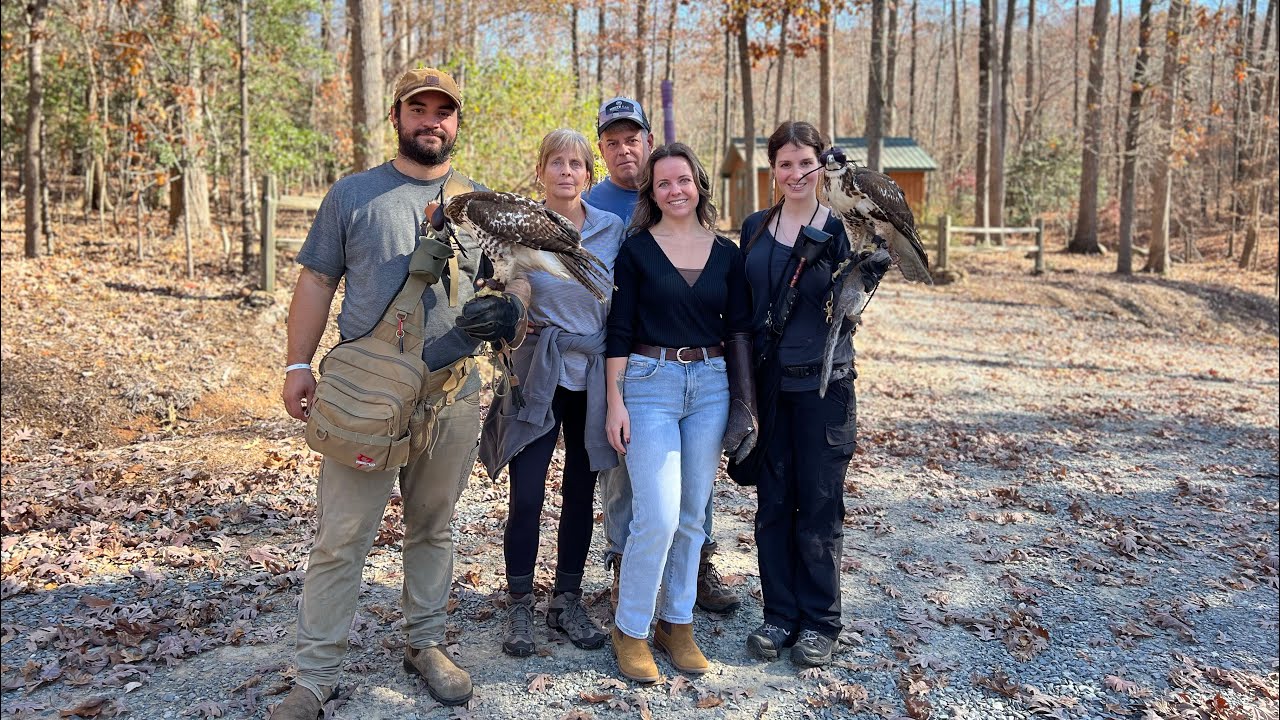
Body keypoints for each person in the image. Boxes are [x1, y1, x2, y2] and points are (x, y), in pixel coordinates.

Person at [274, 67, 530, 719]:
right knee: (343, 534)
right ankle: (315, 674)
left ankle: (425, 644)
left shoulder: (479, 201)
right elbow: (314, 282)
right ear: (396, 117)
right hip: (368, 394)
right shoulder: (355, 195)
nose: (431, 121)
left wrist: (508, 315)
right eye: (419, 108)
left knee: (434, 526)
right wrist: (297, 364)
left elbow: (512, 285)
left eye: (444, 111)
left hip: (451, 390)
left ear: (457, 124)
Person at [736, 121, 891, 668]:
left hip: (826, 386)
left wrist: (867, 274)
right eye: (785, 164)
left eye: (807, 163)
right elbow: (741, 310)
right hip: (770, 388)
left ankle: (821, 623)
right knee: (773, 504)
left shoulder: (845, 227)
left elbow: (855, 306)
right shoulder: (754, 228)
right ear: (772, 170)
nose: (797, 174)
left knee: (820, 507)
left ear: (822, 165)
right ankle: (779, 616)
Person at [584, 96, 741, 616]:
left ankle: (692, 576)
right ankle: (624, 572)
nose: (624, 148)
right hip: (632, 364)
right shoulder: (594, 206)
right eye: (612, 142)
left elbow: (733, 319)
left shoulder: (718, 245)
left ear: (649, 143)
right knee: (629, 486)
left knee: (688, 494)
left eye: (633, 138)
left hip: (701, 376)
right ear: (602, 150)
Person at [604, 143, 752, 682]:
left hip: (711, 385)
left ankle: (678, 622)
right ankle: (632, 628)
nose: (675, 190)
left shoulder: (728, 254)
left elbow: (737, 330)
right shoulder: (637, 251)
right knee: (659, 515)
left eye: (683, 180)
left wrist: (743, 402)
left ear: (699, 184)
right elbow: (617, 330)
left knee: (693, 516)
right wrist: (615, 400)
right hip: (649, 385)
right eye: (663, 183)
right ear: (652, 192)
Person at [477, 128, 626, 657]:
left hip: (592, 374)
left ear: (590, 174)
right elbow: (494, 284)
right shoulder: (518, 225)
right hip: (537, 370)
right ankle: (520, 601)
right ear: (540, 171)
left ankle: (566, 598)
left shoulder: (612, 230)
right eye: (556, 163)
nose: (566, 172)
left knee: (582, 495)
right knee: (528, 492)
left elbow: (624, 302)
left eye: (577, 164)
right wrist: (511, 318)